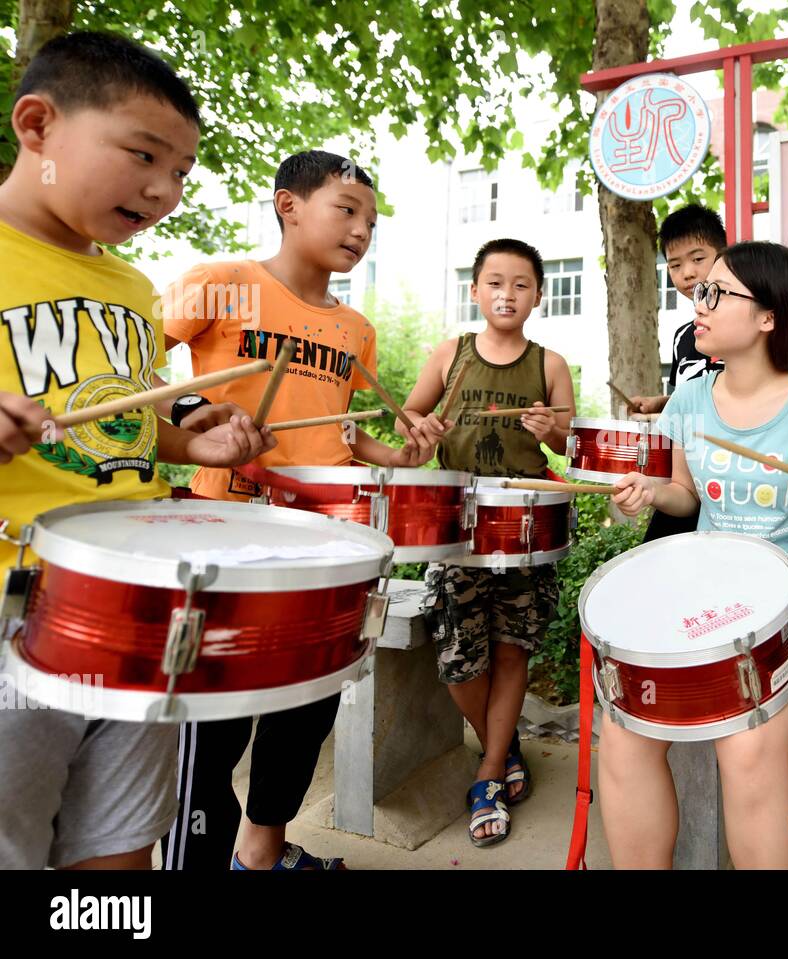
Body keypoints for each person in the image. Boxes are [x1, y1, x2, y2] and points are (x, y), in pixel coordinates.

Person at [0, 31, 273, 870]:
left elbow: (116, 418)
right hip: (17, 616)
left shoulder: (128, 285)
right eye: (144, 155)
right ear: (38, 126)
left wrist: (195, 437)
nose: (166, 190)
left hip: (137, 604)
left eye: (183, 171)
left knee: (119, 848)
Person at [159, 150, 440, 871]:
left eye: (371, 221)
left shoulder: (355, 329)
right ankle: (195, 857)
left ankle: (264, 852)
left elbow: (336, 432)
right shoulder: (223, 285)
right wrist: (196, 414)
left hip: (325, 539)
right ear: (288, 206)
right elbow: (131, 370)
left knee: (306, 702)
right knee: (213, 716)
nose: (360, 230)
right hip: (229, 526)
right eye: (345, 209)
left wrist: (394, 456)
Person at [606, 241, 788, 868]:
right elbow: (684, 496)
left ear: (770, 316)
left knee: (750, 746)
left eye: (718, 293)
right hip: (708, 599)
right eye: (700, 292)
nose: (701, 302)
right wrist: (647, 493)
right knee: (622, 734)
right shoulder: (690, 402)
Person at [402, 237, 574, 847]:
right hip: (457, 524)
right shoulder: (451, 354)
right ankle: (506, 744)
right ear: (475, 290)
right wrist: (418, 426)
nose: (508, 293)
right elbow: (409, 421)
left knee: (511, 650)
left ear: (538, 296)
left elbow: (571, 445)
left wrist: (556, 428)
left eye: (522, 284)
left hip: (526, 524)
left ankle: (490, 770)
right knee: (457, 660)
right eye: (495, 282)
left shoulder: (549, 363)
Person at [626, 203, 727, 543]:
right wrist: (661, 403)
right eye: (675, 264)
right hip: (687, 479)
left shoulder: (750, 331)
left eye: (699, 259)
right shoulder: (684, 337)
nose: (688, 273)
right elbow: (692, 398)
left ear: (723, 256)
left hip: (734, 483)